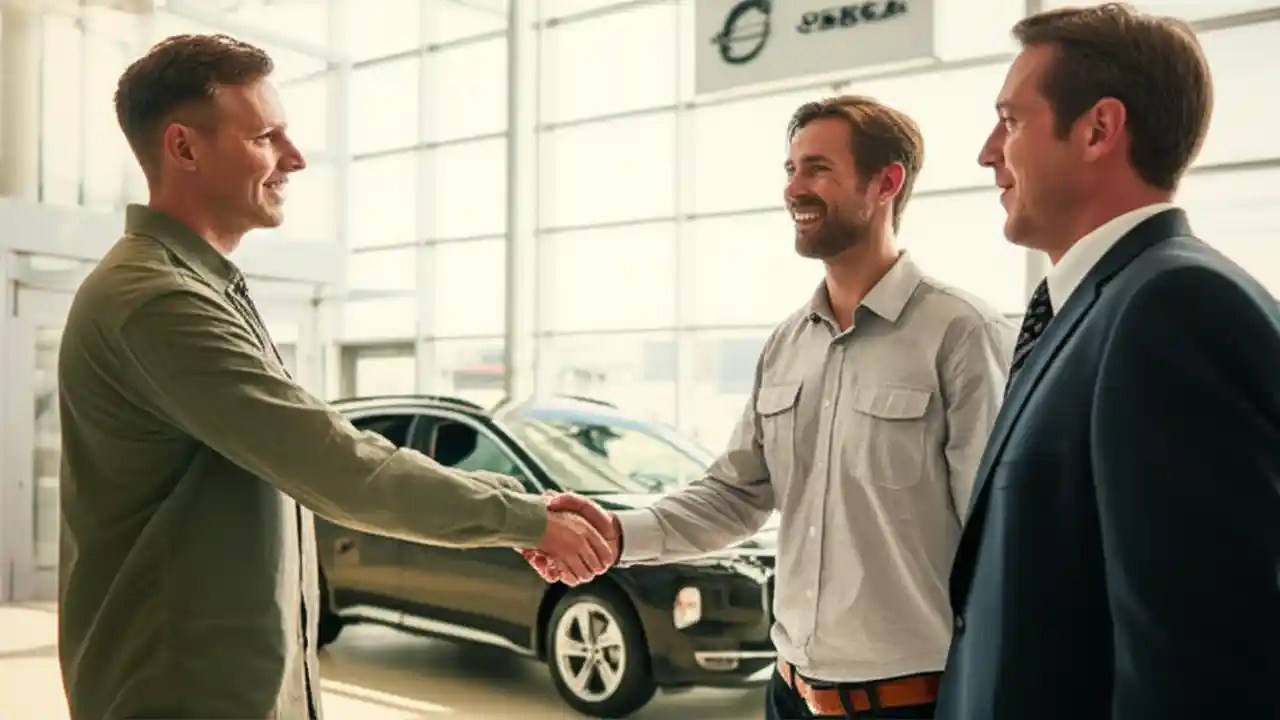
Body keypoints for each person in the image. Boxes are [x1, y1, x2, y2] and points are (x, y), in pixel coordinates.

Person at [56, 34, 612, 720]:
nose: (295, 158)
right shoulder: (155, 301)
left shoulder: (199, 289)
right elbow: (337, 464)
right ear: (185, 149)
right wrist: (523, 517)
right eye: (266, 137)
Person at [524, 96, 1015, 719]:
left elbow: (999, 537)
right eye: (790, 170)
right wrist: (618, 534)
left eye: (817, 169)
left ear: (885, 182)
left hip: (913, 703)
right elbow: (735, 495)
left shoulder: (963, 332)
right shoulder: (787, 343)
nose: (794, 189)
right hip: (789, 696)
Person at [935, 5, 1280, 719]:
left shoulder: (1173, 307)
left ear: (1098, 130)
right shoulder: (1100, 307)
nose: (987, 152)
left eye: (1011, 120)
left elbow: (1196, 664)